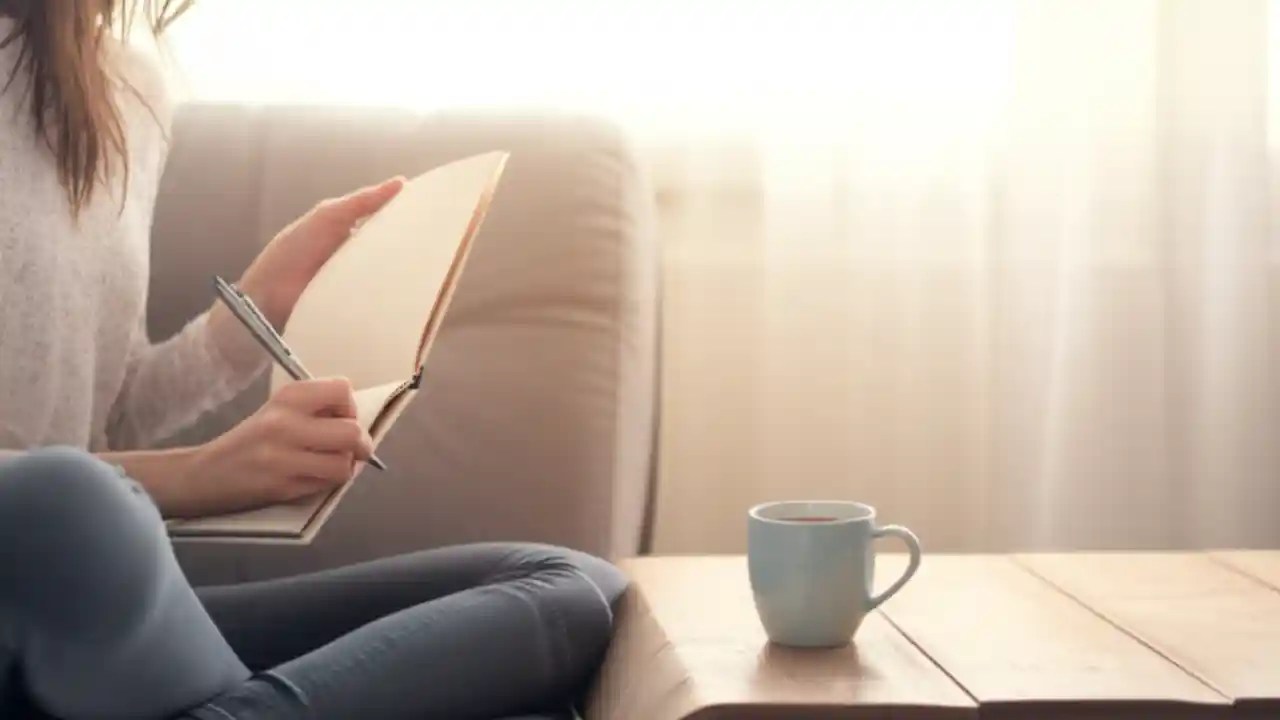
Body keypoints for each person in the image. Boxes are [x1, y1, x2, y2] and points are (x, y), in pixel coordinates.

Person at [0, 2, 627, 719]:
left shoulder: (125, 89)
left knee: (569, 589)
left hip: (78, 583)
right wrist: (198, 475)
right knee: (70, 502)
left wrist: (255, 311)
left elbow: (102, 421)